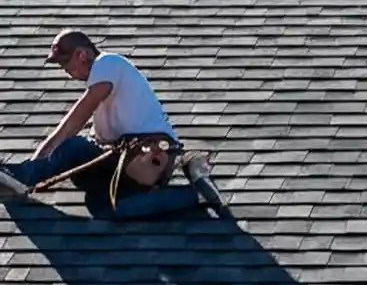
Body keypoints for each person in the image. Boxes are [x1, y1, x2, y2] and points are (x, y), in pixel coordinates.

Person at [0, 29, 219, 219]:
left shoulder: (108, 63)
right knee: (107, 207)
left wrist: (30, 169)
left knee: (74, 147)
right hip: (134, 169)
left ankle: (21, 175)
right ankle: (197, 193)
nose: (64, 70)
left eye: (65, 62)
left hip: (147, 157)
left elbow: (71, 126)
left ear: (82, 54)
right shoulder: (107, 97)